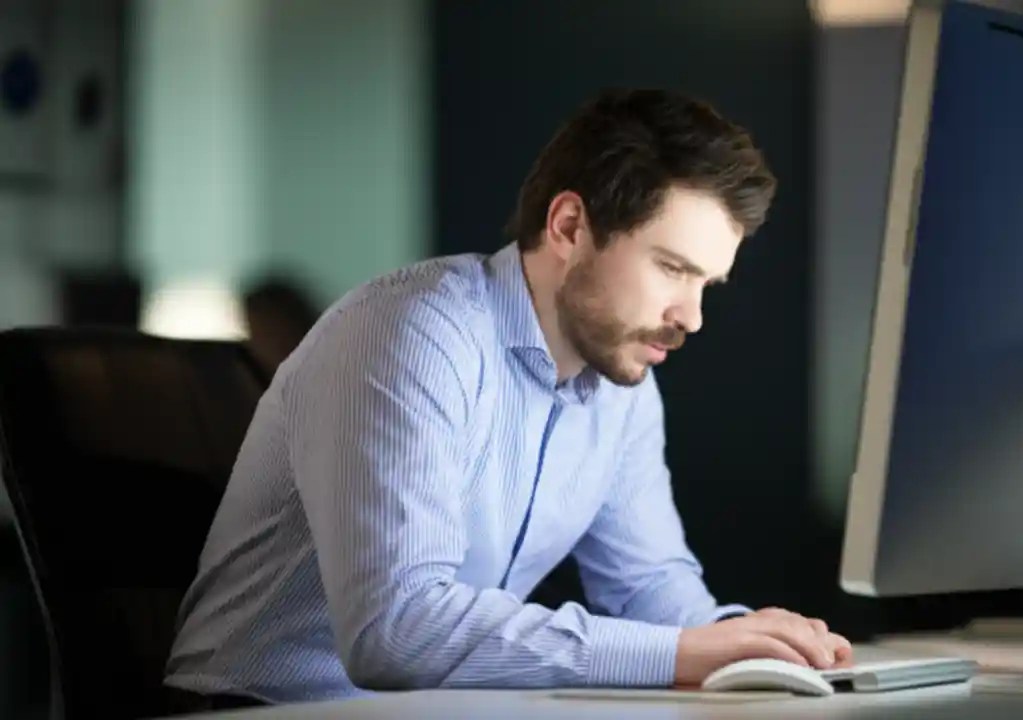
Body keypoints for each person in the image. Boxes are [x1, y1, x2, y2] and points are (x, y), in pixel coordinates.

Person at [162, 87, 852, 711]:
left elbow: (649, 590)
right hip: (259, 707)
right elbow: (394, 630)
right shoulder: (413, 332)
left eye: (708, 283)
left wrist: (751, 647)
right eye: (672, 268)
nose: (692, 316)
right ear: (570, 226)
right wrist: (680, 654)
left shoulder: (623, 385)